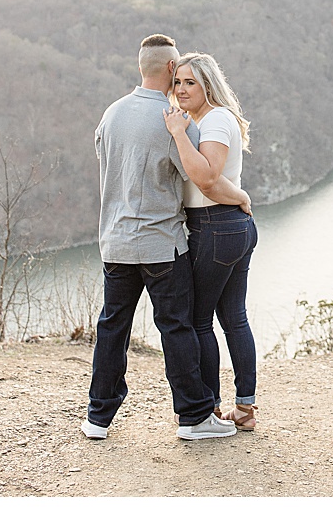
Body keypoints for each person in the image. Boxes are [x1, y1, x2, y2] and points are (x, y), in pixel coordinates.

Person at [85, 34, 251, 442]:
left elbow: (109, 165)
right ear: (170, 70)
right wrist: (242, 197)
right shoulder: (170, 121)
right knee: (177, 328)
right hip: (161, 244)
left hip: (116, 242)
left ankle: (98, 418)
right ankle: (194, 418)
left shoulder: (111, 114)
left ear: (141, 67)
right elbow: (202, 177)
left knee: (112, 328)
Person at [164, 52, 260, 431]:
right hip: (230, 226)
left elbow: (205, 178)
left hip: (215, 226)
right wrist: (239, 197)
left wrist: (176, 135)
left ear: (208, 84)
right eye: (177, 82)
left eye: (191, 82)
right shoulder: (201, 119)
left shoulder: (216, 119)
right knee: (234, 317)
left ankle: (210, 409)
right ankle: (244, 408)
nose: (182, 89)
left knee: (199, 321)